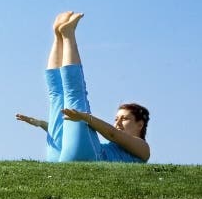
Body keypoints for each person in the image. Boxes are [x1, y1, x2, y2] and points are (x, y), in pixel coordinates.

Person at [15, 11, 150, 162]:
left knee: (74, 95)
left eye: (125, 119)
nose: (117, 123)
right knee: (58, 96)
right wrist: (43, 124)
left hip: (91, 158)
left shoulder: (144, 149)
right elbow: (77, 136)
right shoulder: (106, 147)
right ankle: (58, 36)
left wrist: (85, 117)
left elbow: (112, 133)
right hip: (63, 157)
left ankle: (68, 35)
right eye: (116, 118)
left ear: (140, 124)